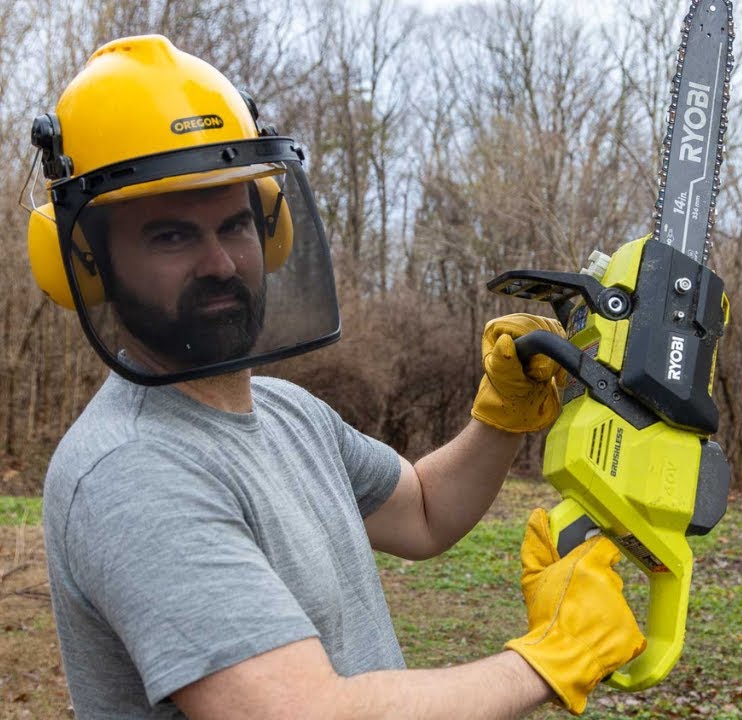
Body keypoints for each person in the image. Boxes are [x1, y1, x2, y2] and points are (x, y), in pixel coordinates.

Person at [28, 34, 644, 718]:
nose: (222, 264)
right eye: (171, 236)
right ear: (85, 264)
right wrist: (552, 658)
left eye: (234, 225)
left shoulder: (289, 413)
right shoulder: (129, 470)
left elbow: (424, 512)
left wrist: (499, 415)